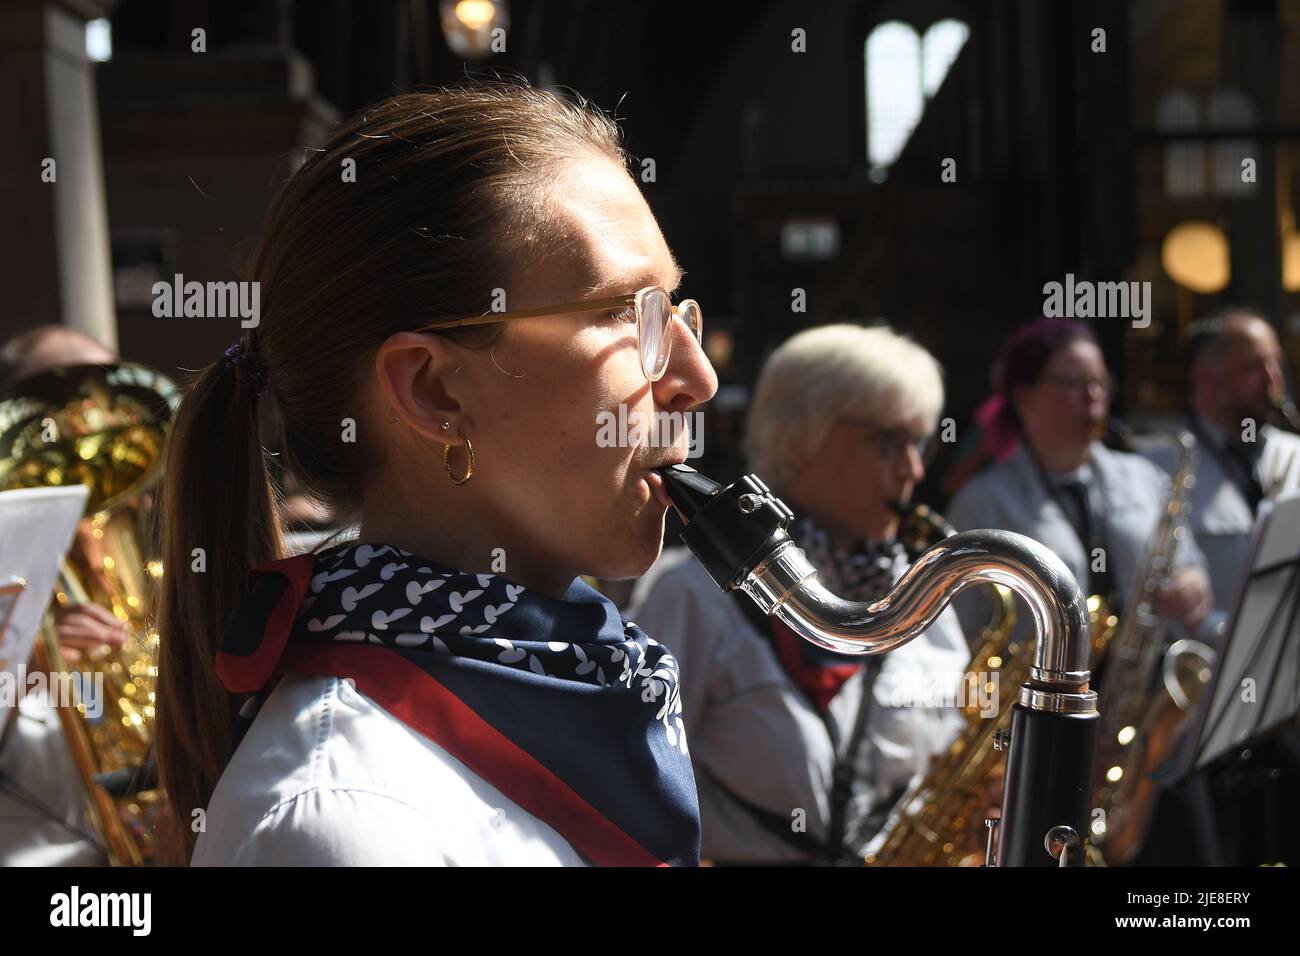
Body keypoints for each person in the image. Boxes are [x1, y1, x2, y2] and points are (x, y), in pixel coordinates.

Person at [156, 81, 718, 866]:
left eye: (676, 306)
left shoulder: (583, 679)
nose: (698, 377)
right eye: (628, 312)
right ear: (434, 391)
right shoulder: (345, 826)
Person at [627, 324, 969, 864]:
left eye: (919, 441)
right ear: (801, 440)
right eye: (888, 441)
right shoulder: (690, 594)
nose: (914, 469)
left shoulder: (923, 593)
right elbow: (637, 789)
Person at [947, 317, 1212, 636]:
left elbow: (1189, 562)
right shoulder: (979, 504)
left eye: (1099, 383)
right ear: (1024, 396)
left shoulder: (1145, 477)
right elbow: (961, 629)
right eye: (1073, 383)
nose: (1093, 397)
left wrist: (1193, 581)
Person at [0, 324, 126, 866]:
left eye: (102, 386)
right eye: (60, 391)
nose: (85, 416)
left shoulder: (135, 537)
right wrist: (24, 664)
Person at [1144, 307, 1300, 624]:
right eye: (1253, 366)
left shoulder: (1295, 452)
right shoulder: (1156, 465)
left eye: (1276, 363)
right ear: (1204, 377)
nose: (1274, 380)